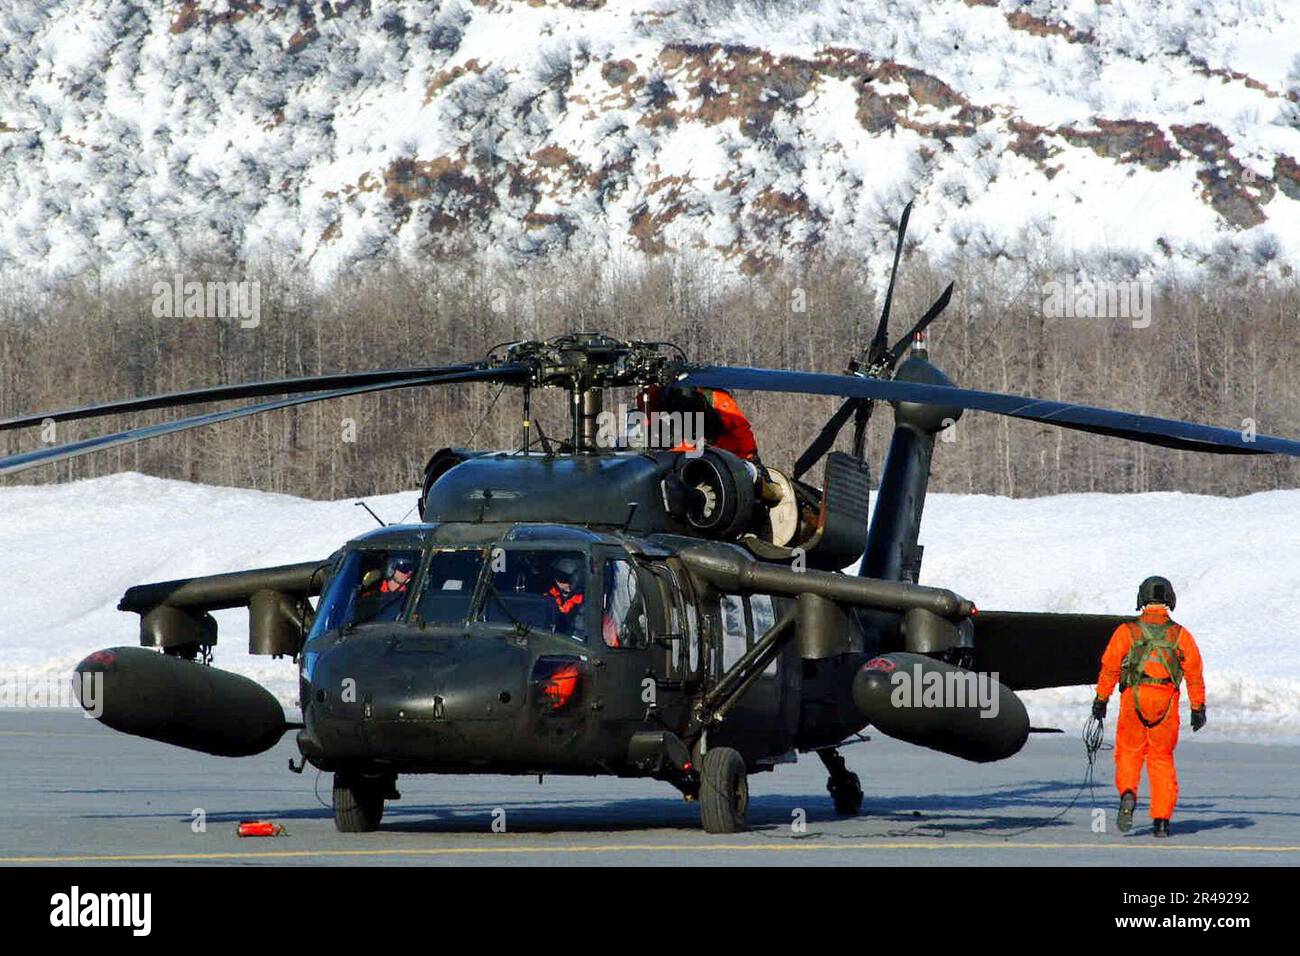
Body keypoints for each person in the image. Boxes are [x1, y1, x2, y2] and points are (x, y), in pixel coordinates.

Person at [1092, 576, 1206, 838]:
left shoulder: (1126, 632)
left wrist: (1101, 699)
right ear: (1169, 600)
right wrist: (1198, 707)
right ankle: (1162, 821)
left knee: (1129, 751)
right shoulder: (1181, 635)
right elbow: (1194, 673)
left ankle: (1128, 792)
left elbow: (1109, 667)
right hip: (1166, 701)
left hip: (1134, 698)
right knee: (1161, 759)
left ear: (1142, 599)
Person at [639, 385, 759, 461]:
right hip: (677, 456)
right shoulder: (655, 401)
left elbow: (740, 427)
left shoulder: (716, 399)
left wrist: (750, 455)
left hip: (720, 456)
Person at [546, 557, 585, 633]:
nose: (566, 585)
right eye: (562, 578)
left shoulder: (588, 604)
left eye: (571, 580)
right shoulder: (547, 599)